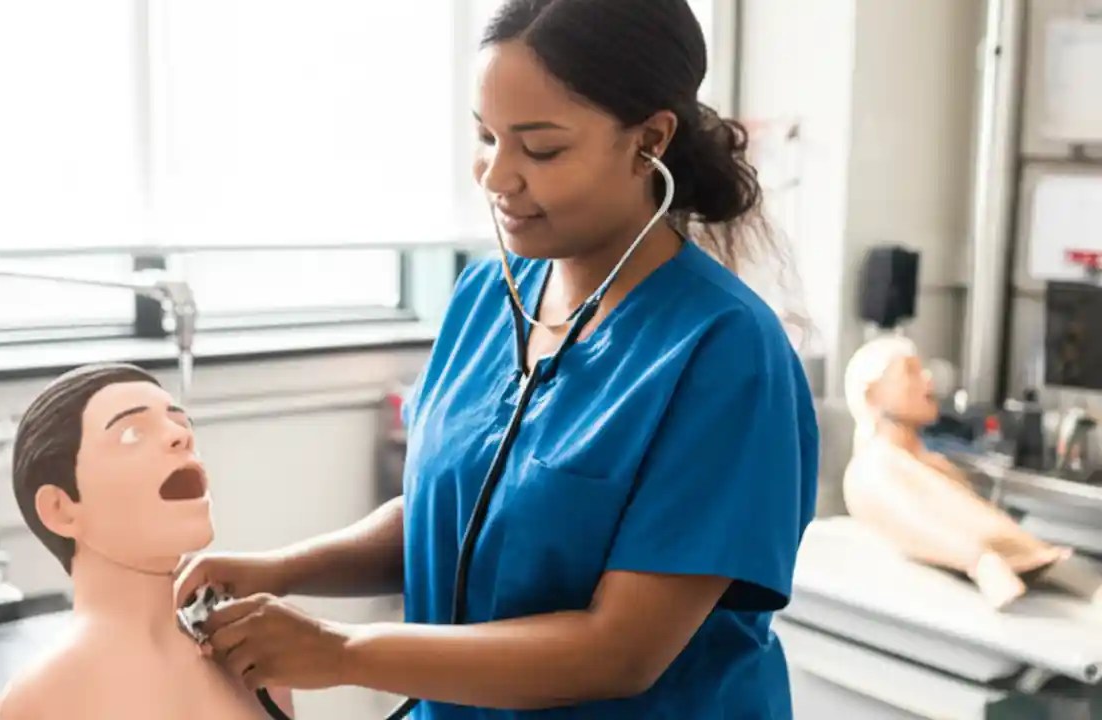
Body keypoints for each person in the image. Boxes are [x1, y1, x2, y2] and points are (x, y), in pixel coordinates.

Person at [174, 0, 818, 717]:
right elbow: (453, 512)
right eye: (485, 136)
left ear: (650, 141)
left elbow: (622, 650)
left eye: (540, 149)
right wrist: (284, 570)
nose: (496, 176)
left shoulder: (724, 353)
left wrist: (342, 651)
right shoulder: (486, 295)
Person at [0, 363, 292, 720]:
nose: (181, 438)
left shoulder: (256, 666)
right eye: (132, 434)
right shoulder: (43, 702)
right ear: (62, 509)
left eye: (181, 425)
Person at [842, 336, 1102, 610]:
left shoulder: (931, 463)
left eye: (922, 369)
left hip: (1044, 568)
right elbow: (908, 520)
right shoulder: (873, 465)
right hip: (1019, 581)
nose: (928, 379)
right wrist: (980, 562)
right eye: (910, 371)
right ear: (872, 395)